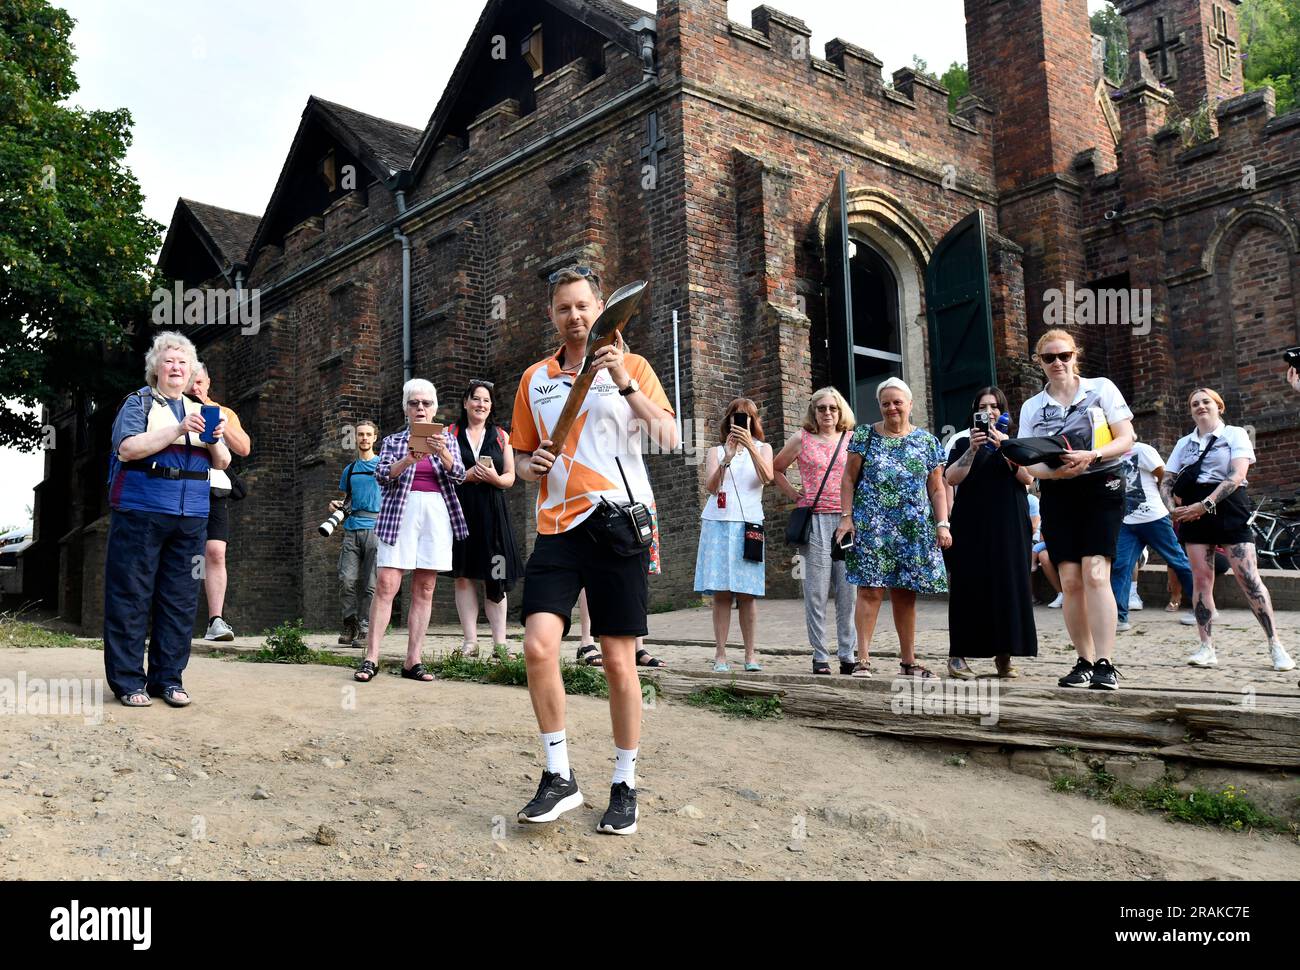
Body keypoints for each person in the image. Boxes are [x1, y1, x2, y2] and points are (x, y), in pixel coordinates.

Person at [510, 266, 678, 835]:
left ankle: (624, 782)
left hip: (617, 526)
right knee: (537, 647)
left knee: (616, 660)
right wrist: (527, 465)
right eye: (564, 308)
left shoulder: (633, 367)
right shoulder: (534, 378)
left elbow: (670, 438)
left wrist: (625, 384)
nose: (575, 316)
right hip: (557, 529)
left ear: (602, 308)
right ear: (552, 315)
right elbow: (521, 457)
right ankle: (559, 776)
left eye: (584, 306)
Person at [103, 332, 231, 707]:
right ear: (155, 369)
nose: (176, 367)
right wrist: (177, 429)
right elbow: (127, 449)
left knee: (180, 600)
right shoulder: (138, 403)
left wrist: (214, 437)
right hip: (141, 511)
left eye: (183, 362)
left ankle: (168, 679)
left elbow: (222, 463)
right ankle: (128, 682)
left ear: (192, 371)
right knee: (131, 596)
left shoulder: (201, 409)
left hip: (192, 517)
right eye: (169, 361)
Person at [1018, 329, 1135, 690]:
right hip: (1059, 492)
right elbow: (1025, 465)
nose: (1058, 363)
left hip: (1102, 487)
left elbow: (1127, 438)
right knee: (1069, 581)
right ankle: (1083, 660)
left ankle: (1105, 662)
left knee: (1096, 573)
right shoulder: (1033, 407)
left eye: (1064, 356)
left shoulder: (1101, 389)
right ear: (1039, 362)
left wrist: (1092, 455)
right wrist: (1055, 471)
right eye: (1049, 357)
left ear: (1075, 356)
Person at [1163, 388, 1293, 671]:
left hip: (1229, 507)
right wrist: (1170, 508)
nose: (1200, 406)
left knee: (1248, 577)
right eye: (1194, 403)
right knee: (1201, 580)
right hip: (1193, 514)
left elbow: (1237, 476)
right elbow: (1167, 480)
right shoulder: (1184, 443)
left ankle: (1275, 645)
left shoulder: (1235, 434)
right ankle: (1206, 647)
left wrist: (1204, 505)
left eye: (1206, 401)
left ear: (1219, 406)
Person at [834, 377, 950, 679]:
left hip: (913, 528)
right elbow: (848, 479)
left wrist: (942, 524)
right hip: (873, 526)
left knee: (905, 594)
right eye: (886, 403)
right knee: (869, 590)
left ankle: (909, 662)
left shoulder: (927, 442)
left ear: (910, 404)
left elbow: (937, 488)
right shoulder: (864, 436)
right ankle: (863, 660)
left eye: (897, 401)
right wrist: (846, 517)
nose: (892, 407)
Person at [353, 379, 468, 684]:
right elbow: (382, 476)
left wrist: (441, 452)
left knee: (426, 587)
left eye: (426, 403)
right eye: (414, 403)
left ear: (434, 408)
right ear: (405, 408)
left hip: (436, 513)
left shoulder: (448, 439)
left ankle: (412, 660)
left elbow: (459, 475)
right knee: (387, 583)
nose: (420, 408)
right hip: (400, 513)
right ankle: (371, 657)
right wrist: (408, 459)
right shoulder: (393, 440)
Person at [943, 387, 1036, 679]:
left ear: (1003, 409)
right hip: (972, 521)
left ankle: (1004, 655)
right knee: (968, 584)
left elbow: (1029, 479)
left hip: (1009, 520)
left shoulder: (1014, 441)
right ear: (975, 412)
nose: (990, 411)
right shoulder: (961, 441)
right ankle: (958, 656)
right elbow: (951, 477)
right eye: (983, 406)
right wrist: (973, 449)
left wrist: (1007, 447)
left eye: (995, 406)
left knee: (1008, 583)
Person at [773, 387, 856, 675]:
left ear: (840, 410)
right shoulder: (802, 438)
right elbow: (776, 469)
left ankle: (848, 653)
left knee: (848, 590)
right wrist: (797, 495)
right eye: (821, 408)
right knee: (816, 591)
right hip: (816, 520)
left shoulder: (851, 439)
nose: (827, 413)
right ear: (814, 411)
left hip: (847, 520)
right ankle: (820, 655)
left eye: (833, 408)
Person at [695, 398, 775, 673]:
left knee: (747, 594)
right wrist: (727, 457)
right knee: (721, 593)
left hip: (749, 524)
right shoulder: (715, 451)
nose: (740, 422)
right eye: (736, 417)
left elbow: (767, 478)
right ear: (727, 421)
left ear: (754, 422)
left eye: (746, 417)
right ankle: (720, 655)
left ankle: (751, 654)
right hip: (718, 523)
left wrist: (750, 447)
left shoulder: (764, 448)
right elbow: (711, 487)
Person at [448, 380, 523, 657]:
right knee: (464, 576)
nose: (481, 404)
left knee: (496, 575)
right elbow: (444, 472)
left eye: (486, 401)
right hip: (461, 511)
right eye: (476, 399)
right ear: (465, 402)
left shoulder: (502, 435)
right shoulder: (450, 433)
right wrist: (465, 475)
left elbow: (511, 477)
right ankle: (470, 642)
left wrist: (494, 478)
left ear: (491, 407)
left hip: (493, 513)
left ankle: (500, 645)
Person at [190, 363, 251, 642]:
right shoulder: (174, 409)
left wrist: (223, 428)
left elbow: (244, 448)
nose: (195, 388)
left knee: (215, 551)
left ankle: (216, 620)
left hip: (214, 489)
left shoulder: (223, 412)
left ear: (209, 382)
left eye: (200, 382)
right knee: (180, 552)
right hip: (182, 486)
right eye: (191, 382)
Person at [1110, 433, 1194, 633]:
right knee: (1121, 566)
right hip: (1126, 522)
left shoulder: (1142, 450)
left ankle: (1202, 607)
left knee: (1177, 561)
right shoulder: (1108, 457)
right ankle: (1120, 617)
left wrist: (1167, 506)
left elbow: (1163, 477)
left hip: (1154, 518)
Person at [329, 419, 382, 648]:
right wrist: (335, 505)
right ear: (356, 438)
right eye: (360, 434)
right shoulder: (349, 470)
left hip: (376, 529)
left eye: (368, 435)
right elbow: (347, 499)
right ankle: (349, 624)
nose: (364, 438)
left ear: (375, 438)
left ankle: (365, 628)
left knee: (371, 585)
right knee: (347, 580)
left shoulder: (383, 466)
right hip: (351, 529)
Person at [1028, 483, 1064, 605]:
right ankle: (1061, 593)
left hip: (1068, 544)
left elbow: (1034, 528)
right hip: (1049, 544)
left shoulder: (1032, 500)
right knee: (1042, 555)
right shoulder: (1048, 510)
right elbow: (1043, 535)